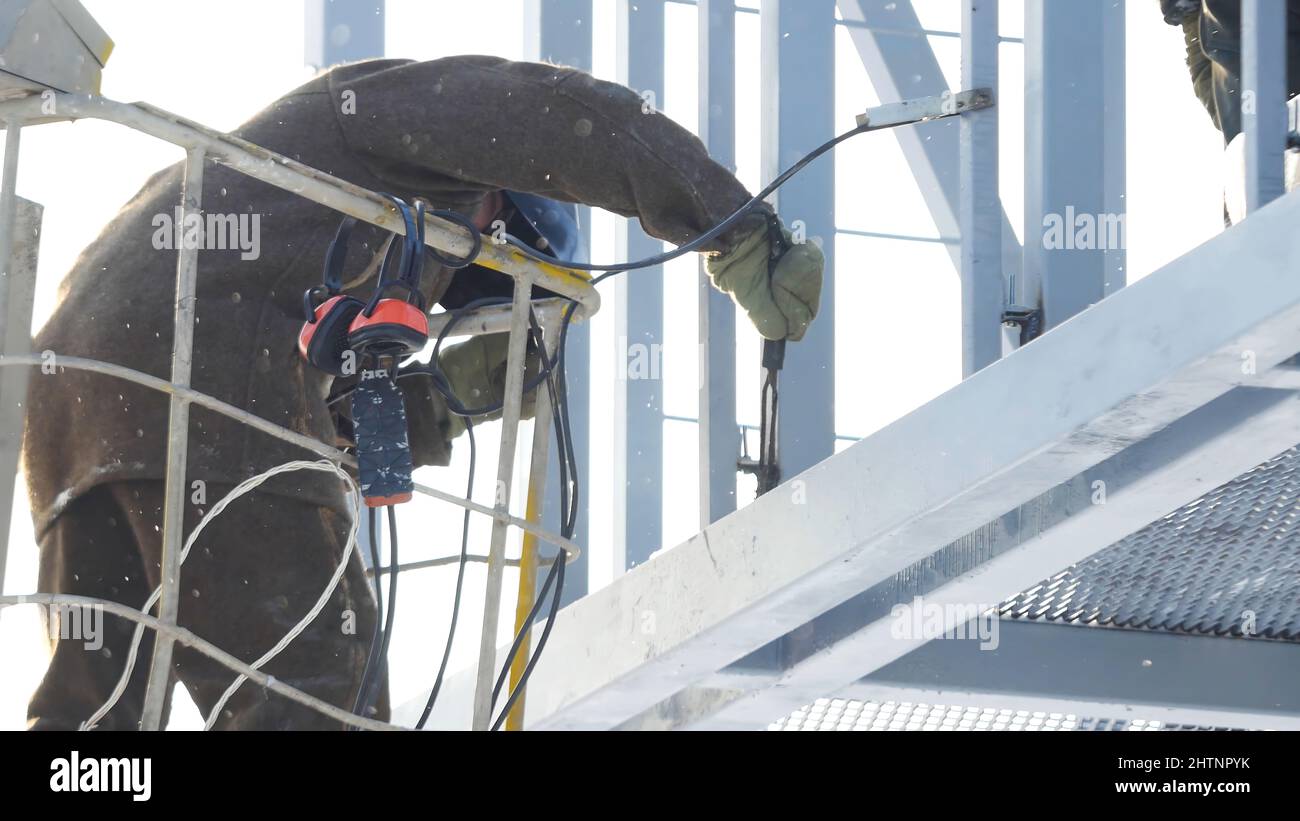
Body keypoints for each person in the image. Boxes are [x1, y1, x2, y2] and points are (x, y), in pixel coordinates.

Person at [22, 55, 824, 729]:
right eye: (468, 272)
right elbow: (563, 113)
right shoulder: (387, 119)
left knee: (93, 727)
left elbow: (290, 403)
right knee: (316, 692)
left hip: (73, 403)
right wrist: (732, 225)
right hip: (203, 365)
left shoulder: (276, 206)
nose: (437, 299)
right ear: (494, 198)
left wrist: (437, 407)